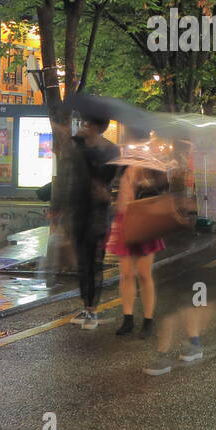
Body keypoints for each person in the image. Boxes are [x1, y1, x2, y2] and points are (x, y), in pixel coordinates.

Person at [68, 115, 120, 330]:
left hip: (97, 212)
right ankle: (86, 305)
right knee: (82, 262)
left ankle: (91, 309)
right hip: (79, 210)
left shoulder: (110, 150)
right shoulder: (77, 145)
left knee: (93, 261)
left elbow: (107, 180)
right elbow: (69, 176)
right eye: (83, 123)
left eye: (88, 123)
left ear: (98, 127)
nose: (84, 126)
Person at [107, 163, 169, 338]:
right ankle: (128, 318)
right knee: (126, 274)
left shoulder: (151, 169)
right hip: (124, 221)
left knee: (143, 273)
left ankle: (148, 320)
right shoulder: (124, 168)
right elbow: (119, 198)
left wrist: (144, 180)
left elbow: (162, 189)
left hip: (144, 220)